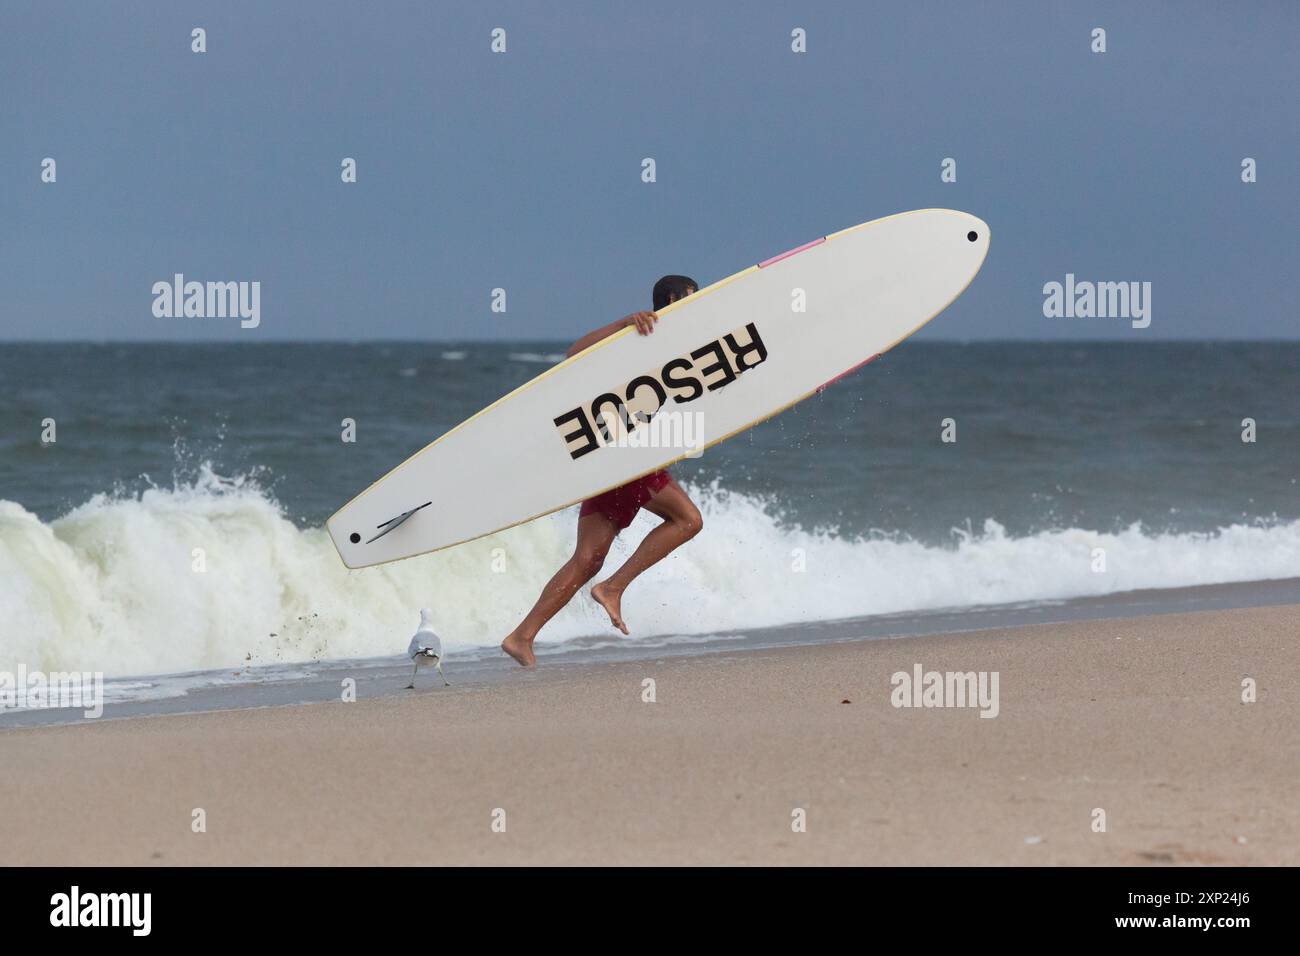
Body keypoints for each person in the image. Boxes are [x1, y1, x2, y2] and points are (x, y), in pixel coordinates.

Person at [501, 275, 704, 667]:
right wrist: (625, 323)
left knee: (588, 558)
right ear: (673, 298)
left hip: (613, 458)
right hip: (629, 455)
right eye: (692, 297)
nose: (698, 303)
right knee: (688, 520)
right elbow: (575, 353)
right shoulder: (646, 330)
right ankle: (613, 587)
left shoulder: (685, 341)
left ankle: (521, 636)